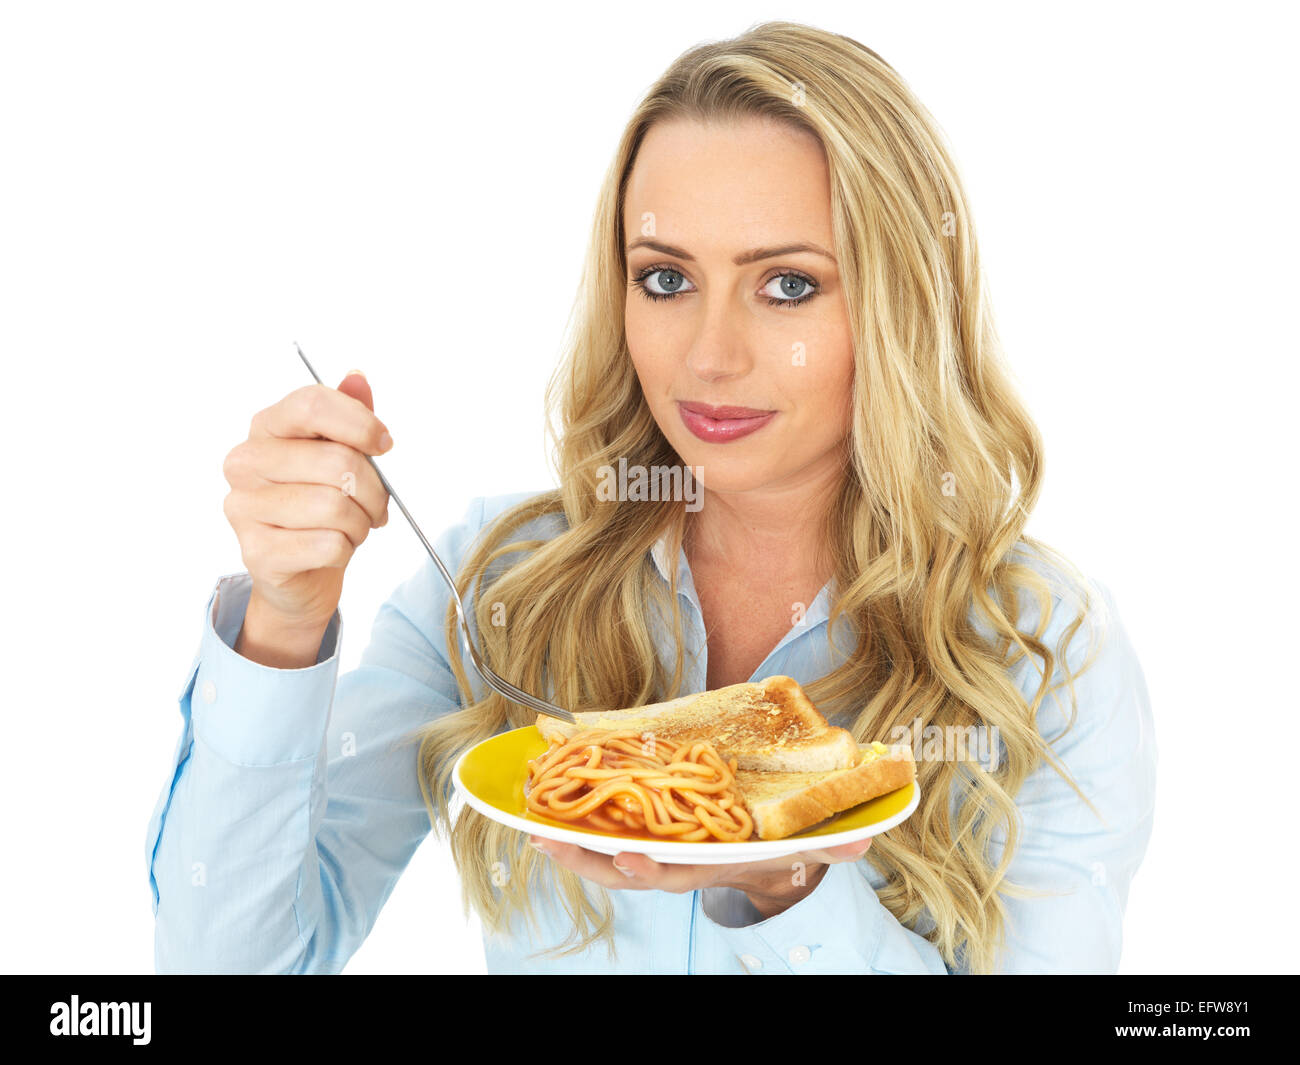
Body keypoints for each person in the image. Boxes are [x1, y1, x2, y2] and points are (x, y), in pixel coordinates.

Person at [145, 20, 1156, 974]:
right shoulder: (494, 584)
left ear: (899, 302)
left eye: (788, 285)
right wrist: (283, 619)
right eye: (666, 280)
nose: (710, 358)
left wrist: (786, 879)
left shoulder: (1041, 651)